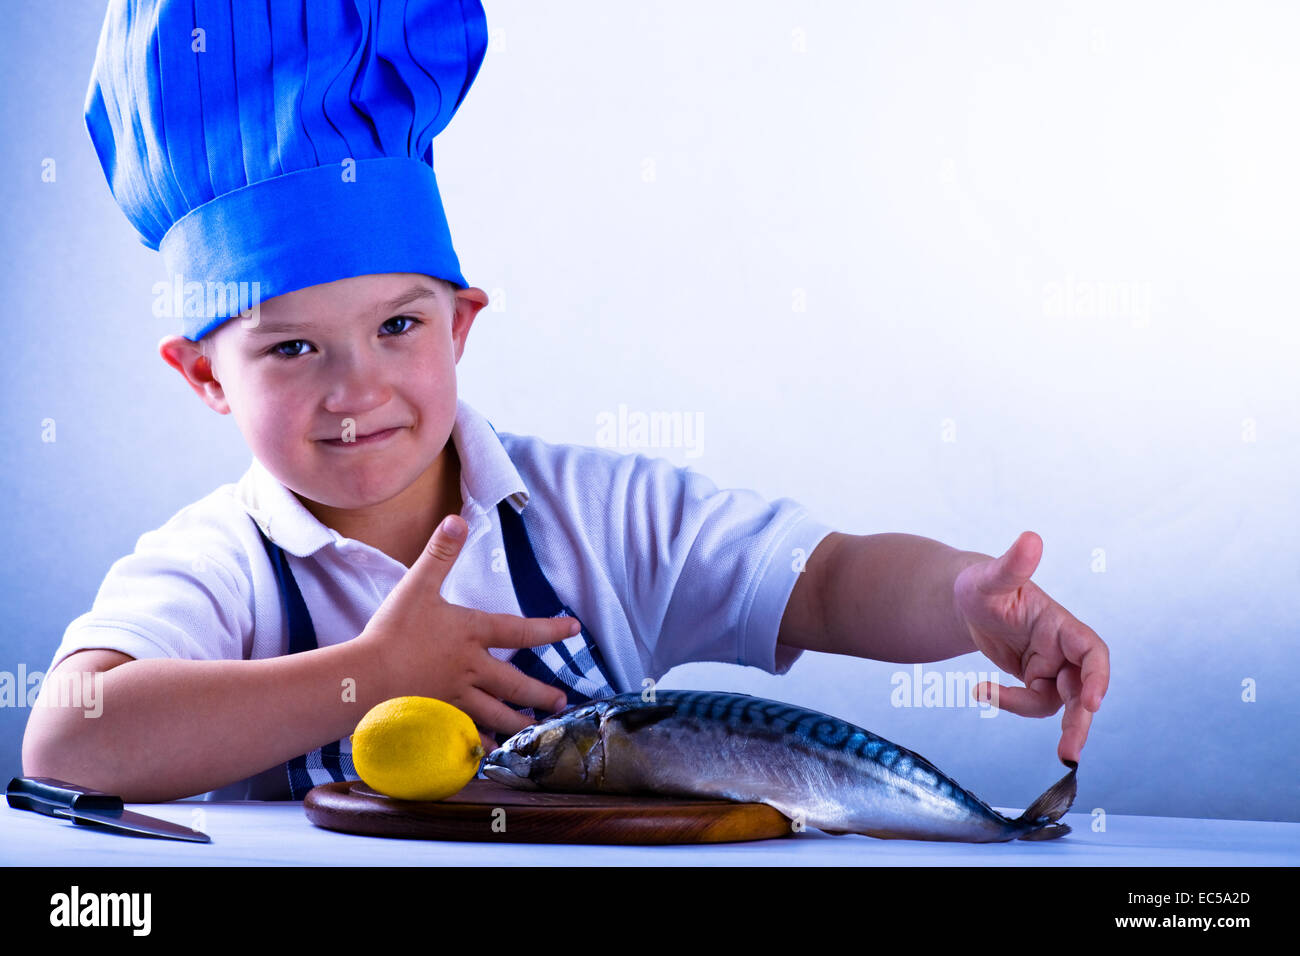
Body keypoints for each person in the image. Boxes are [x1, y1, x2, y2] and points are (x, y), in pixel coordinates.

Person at [23, 0, 1108, 802]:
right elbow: (66, 738)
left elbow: (821, 581)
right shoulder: (223, 566)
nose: (354, 386)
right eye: (293, 345)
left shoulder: (596, 515)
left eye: (399, 326)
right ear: (205, 374)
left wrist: (961, 599)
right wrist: (365, 677)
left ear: (462, 323)